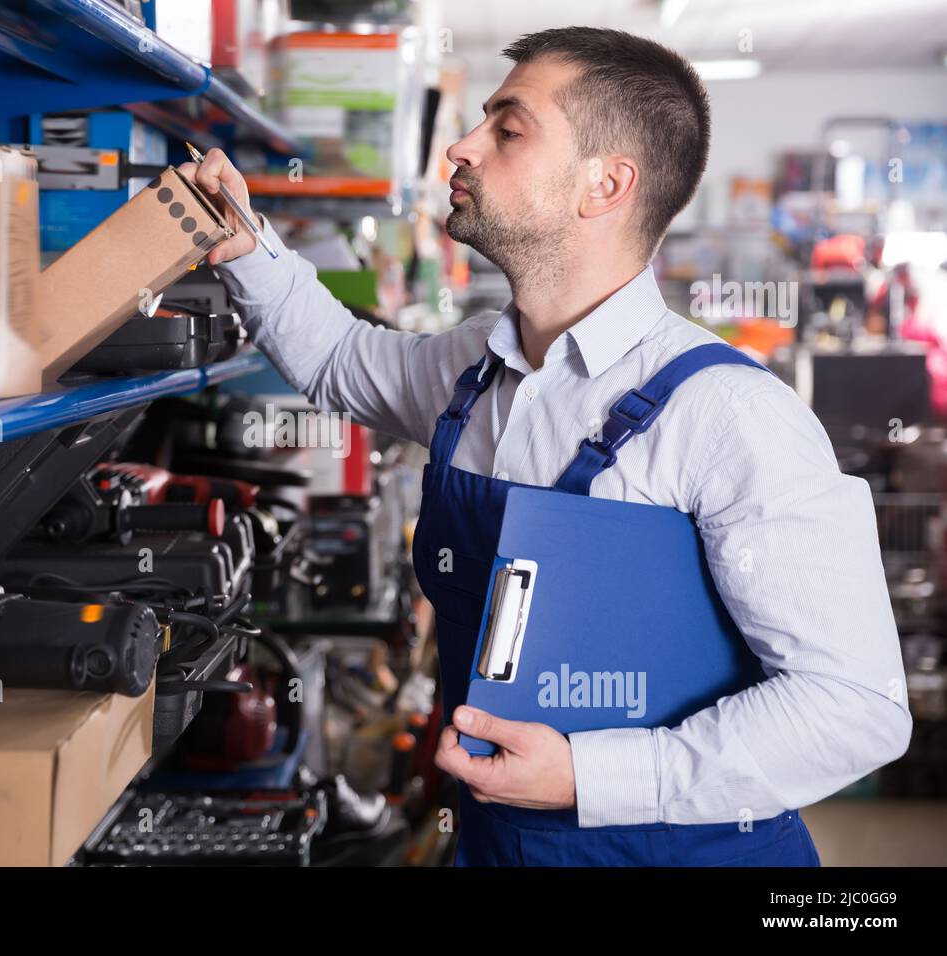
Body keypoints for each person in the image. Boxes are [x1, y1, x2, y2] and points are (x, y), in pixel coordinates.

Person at [185, 26, 911, 866]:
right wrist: (248, 247)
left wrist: (587, 775)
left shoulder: (729, 415)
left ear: (604, 184)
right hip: (499, 845)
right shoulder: (473, 368)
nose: (460, 147)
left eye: (507, 127)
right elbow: (346, 361)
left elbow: (855, 706)